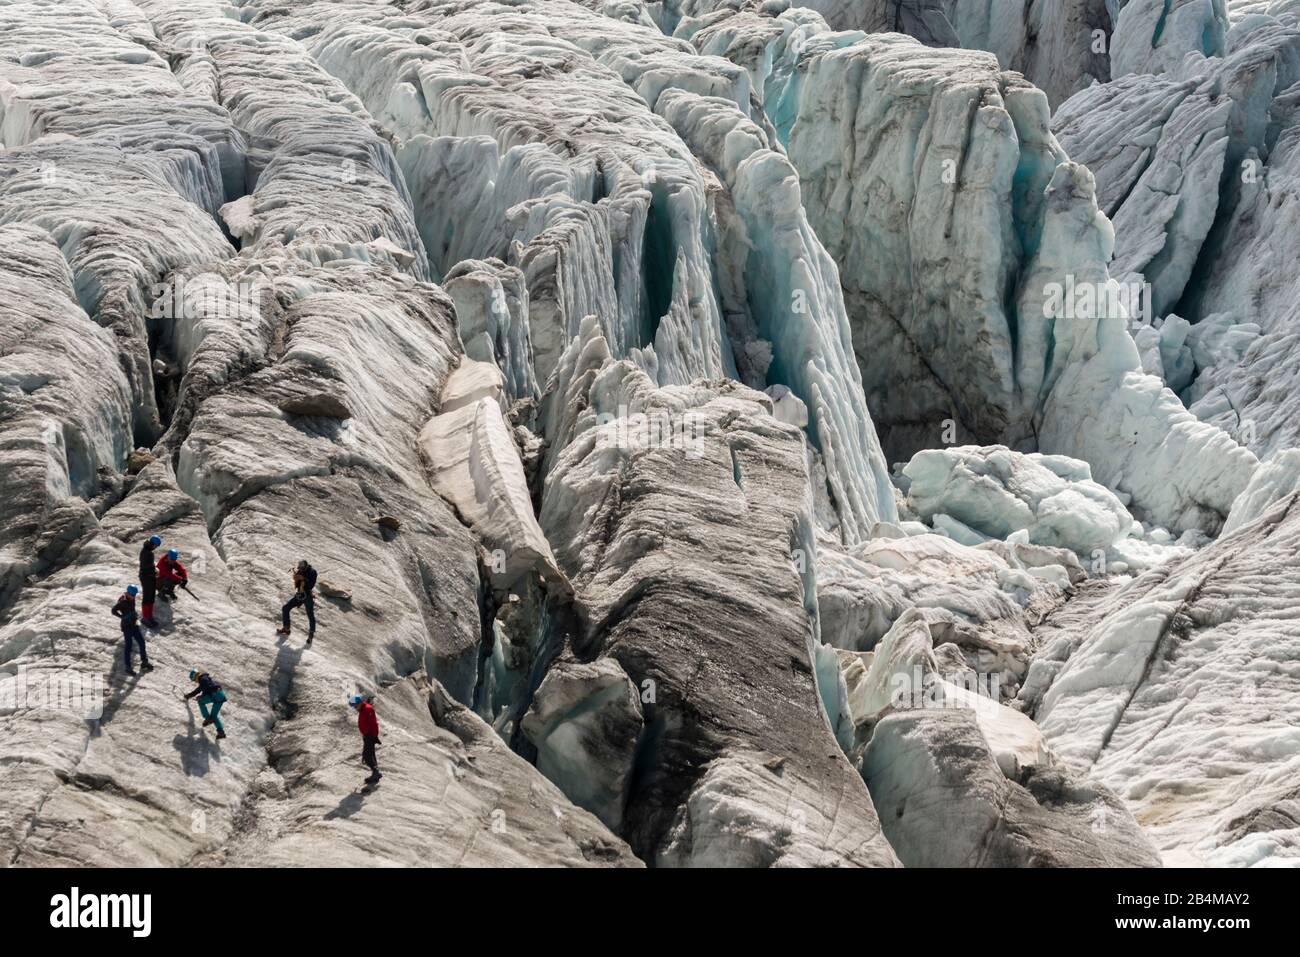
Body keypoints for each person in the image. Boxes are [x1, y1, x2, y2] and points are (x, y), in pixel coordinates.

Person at [111, 584, 153, 675]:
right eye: (133, 595)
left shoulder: (131, 598)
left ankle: (144, 662)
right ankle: (128, 667)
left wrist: (134, 614)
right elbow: (113, 610)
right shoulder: (122, 601)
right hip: (127, 626)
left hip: (134, 624)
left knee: (142, 642)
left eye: (134, 595)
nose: (134, 597)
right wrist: (122, 617)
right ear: (128, 593)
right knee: (128, 646)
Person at [276, 559, 317, 644]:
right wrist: (296, 578)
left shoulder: (312, 572)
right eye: (300, 569)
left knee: (310, 615)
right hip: (300, 595)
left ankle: (311, 633)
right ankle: (286, 628)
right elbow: (297, 584)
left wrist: (303, 579)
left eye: (301, 569)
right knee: (285, 608)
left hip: (308, 596)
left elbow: (310, 585)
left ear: (305, 567)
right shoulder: (300, 571)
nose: (300, 570)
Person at [184, 669, 226, 740]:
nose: (195, 681)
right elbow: (198, 690)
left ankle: (207, 718)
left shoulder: (203, 679)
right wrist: (189, 695)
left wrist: (202, 696)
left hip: (215, 694)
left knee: (201, 701)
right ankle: (221, 732)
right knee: (213, 716)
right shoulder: (204, 679)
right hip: (221, 696)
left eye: (194, 680)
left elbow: (208, 688)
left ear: (195, 677)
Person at [349, 693, 382, 785]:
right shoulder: (363, 709)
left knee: (367, 756)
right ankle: (375, 774)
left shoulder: (367, 709)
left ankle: (376, 773)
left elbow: (373, 724)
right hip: (367, 735)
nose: (355, 708)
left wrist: (373, 736)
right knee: (370, 754)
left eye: (355, 706)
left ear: (359, 703)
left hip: (370, 736)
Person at [139, 535, 161, 627]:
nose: (156, 547)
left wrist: (154, 570)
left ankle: (149, 616)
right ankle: (145, 617)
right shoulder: (147, 553)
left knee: (150, 596)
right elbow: (146, 566)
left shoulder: (146, 550)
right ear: (154, 544)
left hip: (149, 576)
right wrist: (154, 571)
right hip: (147, 577)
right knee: (147, 596)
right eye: (156, 545)